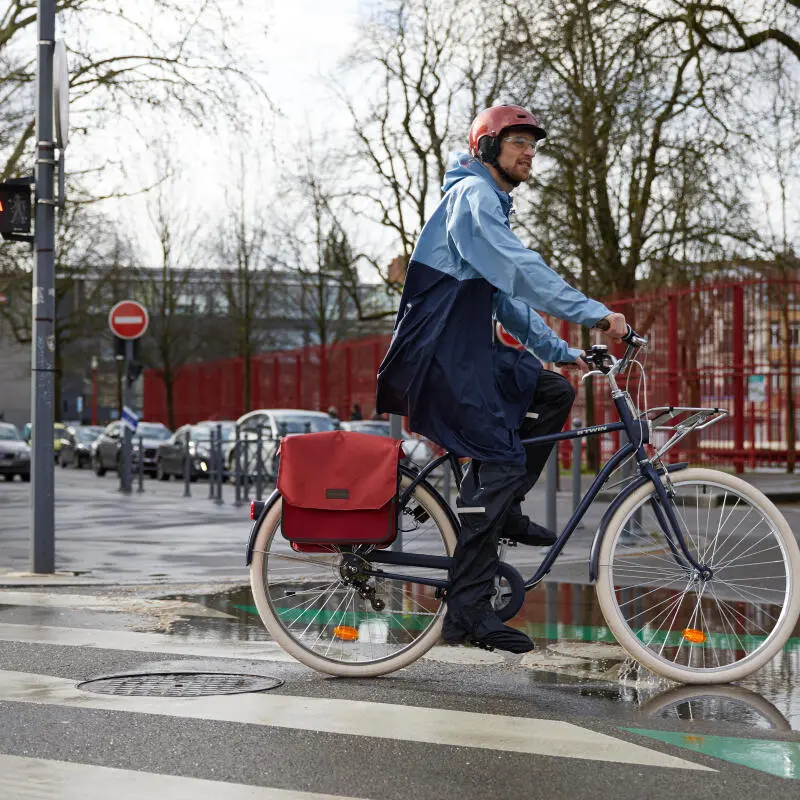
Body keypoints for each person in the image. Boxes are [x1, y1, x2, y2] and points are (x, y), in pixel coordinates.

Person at [376, 104, 626, 654]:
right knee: (502, 463)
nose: (529, 151)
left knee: (551, 389)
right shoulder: (473, 199)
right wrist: (594, 312)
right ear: (486, 147)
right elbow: (518, 269)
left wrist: (563, 353)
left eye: (533, 144)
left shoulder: (486, 203)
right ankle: (466, 616)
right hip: (440, 356)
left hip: (465, 350)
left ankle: (504, 506)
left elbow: (506, 301)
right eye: (517, 141)